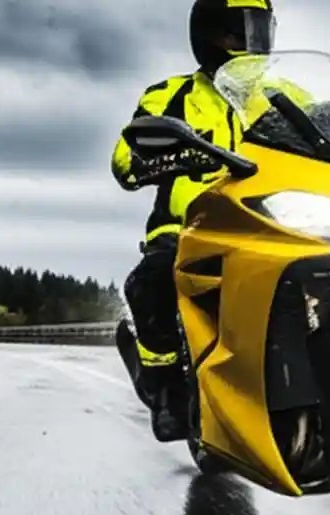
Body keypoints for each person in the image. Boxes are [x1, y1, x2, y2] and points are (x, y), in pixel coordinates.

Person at [110, 0, 276, 442]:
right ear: (208, 35)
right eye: (238, 30)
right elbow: (127, 155)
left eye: (258, 28)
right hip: (189, 226)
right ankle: (166, 388)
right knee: (154, 278)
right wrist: (155, 157)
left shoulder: (285, 94)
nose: (250, 41)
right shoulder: (172, 94)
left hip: (273, 223)